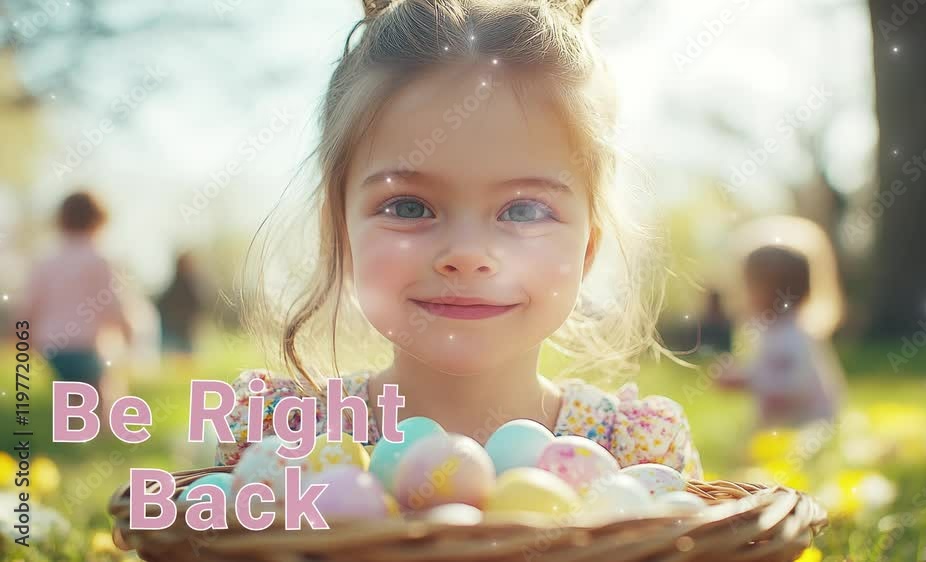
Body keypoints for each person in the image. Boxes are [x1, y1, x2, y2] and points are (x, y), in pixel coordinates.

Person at [214, 0, 702, 479]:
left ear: (587, 249)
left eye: (524, 210)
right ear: (340, 235)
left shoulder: (639, 457)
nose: (467, 255)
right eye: (408, 207)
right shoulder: (281, 441)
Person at [715, 221, 847, 430]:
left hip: (809, 424)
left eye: (750, 286)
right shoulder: (768, 332)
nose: (744, 294)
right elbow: (766, 368)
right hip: (782, 424)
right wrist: (742, 374)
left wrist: (748, 381)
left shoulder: (796, 335)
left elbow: (797, 384)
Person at [17, 190, 134, 416]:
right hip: (86, 345)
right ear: (99, 221)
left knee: (71, 398)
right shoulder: (99, 260)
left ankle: (71, 437)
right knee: (101, 402)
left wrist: (24, 340)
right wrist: (129, 332)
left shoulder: (46, 262)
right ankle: (96, 440)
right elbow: (112, 305)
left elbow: (29, 308)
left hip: (51, 346)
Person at [155, 251, 208, 357]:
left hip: (183, 330)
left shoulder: (192, 285)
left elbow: (198, 306)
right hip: (174, 331)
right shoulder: (182, 286)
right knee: (177, 359)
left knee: (184, 360)